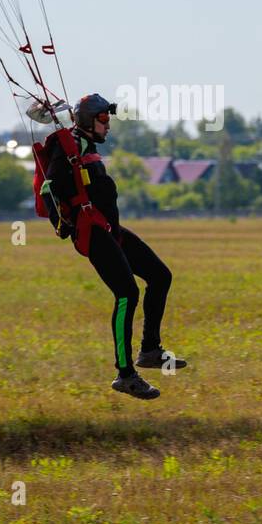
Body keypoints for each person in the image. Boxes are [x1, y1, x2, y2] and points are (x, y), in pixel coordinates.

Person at [40, 94, 187, 400]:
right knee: (127, 294)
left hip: (110, 229)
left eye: (109, 119)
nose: (108, 126)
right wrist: (59, 222)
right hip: (91, 232)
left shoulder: (84, 146)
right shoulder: (67, 145)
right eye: (103, 119)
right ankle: (125, 375)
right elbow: (48, 188)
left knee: (160, 276)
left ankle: (149, 350)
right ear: (86, 121)